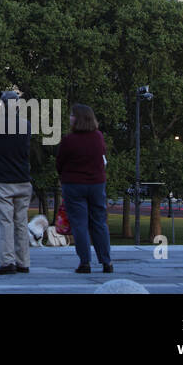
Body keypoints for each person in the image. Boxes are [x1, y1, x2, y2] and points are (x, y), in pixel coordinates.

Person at [56, 103, 113, 274]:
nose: (70, 118)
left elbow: (60, 163)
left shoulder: (69, 140)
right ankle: (106, 262)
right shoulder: (98, 137)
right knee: (99, 222)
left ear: (78, 119)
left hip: (74, 184)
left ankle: (85, 262)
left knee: (80, 224)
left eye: (72, 115)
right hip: (96, 184)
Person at [0, 91, 31, 275]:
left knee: (5, 222)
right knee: (21, 222)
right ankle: (23, 261)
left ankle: (7, 261)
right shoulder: (26, 125)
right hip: (23, 178)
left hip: (2, 179)